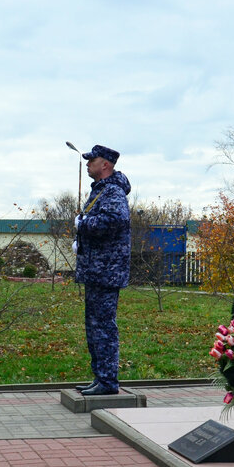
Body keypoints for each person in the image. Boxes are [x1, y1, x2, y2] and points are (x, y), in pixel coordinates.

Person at [73, 144, 131, 397]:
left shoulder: (113, 191)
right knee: (94, 327)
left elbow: (114, 220)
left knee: (103, 327)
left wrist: (84, 224)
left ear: (105, 164)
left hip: (107, 271)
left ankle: (107, 382)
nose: (88, 164)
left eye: (91, 160)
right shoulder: (101, 190)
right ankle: (100, 378)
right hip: (97, 270)